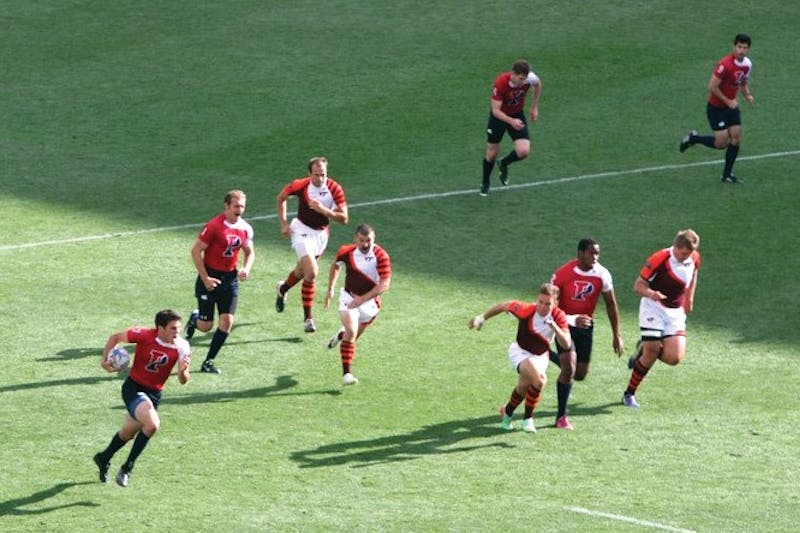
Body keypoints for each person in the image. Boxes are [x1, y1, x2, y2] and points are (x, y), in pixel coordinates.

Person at [93, 309, 191, 488]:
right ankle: (127, 468)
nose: (177, 332)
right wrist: (104, 361)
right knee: (152, 425)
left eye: (178, 328)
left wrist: (183, 372)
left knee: (127, 434)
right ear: (160, 328)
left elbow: (183, 381)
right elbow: (115, 337)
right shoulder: (144, 335)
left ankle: (103, 457)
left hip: (154, 394)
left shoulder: (182, 346)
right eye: (172, 328)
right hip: (133, 388)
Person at [468, 283, 571, 433]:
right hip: (520, 352)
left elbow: (566, 343)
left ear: (555, 303)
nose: (542, 306)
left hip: (540, 355)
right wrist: (481, 318)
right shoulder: (525, 310)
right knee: (540, 380)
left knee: (523, 387)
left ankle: (507, 412)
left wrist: (554, 327)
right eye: (540, 302)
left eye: (547, 304)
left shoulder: (558, 316)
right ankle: (528, 419)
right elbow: (504, 306)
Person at [549, 238, 624, 430]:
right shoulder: (562, 274)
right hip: (563, 324)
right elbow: (550, 308)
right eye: (592, 253)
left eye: (597, 253)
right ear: (580, 253)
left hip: (585, 327)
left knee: (580, 374)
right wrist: (572, 319)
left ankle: (546, 353)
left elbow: (611, 304)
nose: (595, 257)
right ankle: (561, 417)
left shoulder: (602, 274)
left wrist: (617, 335)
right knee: (569, 370)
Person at [623, 229, 701, 409]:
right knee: (653, 350)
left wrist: (689, 297)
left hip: (675, 312)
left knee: (674, 358)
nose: (686, 257)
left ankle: (643, 347)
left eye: (689, 254)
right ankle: (629, 393)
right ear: (676, 247)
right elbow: (638, 285)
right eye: (683, 253)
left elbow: (694, 273)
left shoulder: (694, 256)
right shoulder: (660, 258)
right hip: (653, 307)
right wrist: (652, 294)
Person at [184, 189, 255, 375]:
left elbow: (250, 251)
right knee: (206, 326)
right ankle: (194, 319)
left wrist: (246, 268)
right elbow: (195, 251)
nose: (239, 210)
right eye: (236, 206)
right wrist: (205, 277)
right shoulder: (214, 226)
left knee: (227, 322)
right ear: (226, 206)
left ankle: (209, 361)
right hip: (210, 277)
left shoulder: (246, 228)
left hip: (230, 279)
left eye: (242, 206)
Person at [276, 156, 349, 333]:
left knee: (302, 272)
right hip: (300, 230)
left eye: (323, 174)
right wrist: (284, 223)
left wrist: (324, 210)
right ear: (309, 174)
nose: (320, 178)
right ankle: (308, 319)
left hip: (320, 236)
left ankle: (283, 288)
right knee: (312, 272)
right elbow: (281, 197)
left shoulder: (334, 188)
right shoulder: (301, 185)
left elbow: (344, 219)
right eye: (316, 175)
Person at [679, 33, 754, 184]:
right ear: (734, 46)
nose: (741, 50)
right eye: (739, 46)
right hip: (716, 108)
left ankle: (727, 175)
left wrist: (747, 95)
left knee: (736, 139)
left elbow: (743, 81)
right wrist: (728, 101)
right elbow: (712, 87)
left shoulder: (747, 64)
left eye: (745, 48)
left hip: (731, 107)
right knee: (721, 143)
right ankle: (693, 138)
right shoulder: (724, 65)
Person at [323, 223, 391, 385]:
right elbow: (335, 266)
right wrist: (331, 289)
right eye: (361, 240)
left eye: (368, 241)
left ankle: (341, 334)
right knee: (352, 332)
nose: (365, 244)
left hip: (370, 304)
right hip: (349, 297)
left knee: (351, 338)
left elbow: (384, 284)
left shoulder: (381, 256)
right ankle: (347, 374)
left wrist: (363, 298)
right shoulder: (346, 252)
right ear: (356, 239)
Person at [480, 59, 542, 196]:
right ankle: (485, 182)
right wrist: (511, 121)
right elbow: (495, 111)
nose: (523, 82)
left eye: (524, 79)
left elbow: (537, 84)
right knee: (491, 153)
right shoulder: (500, 83)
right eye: (520, 79)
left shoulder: (529, 78)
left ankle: (503, 163)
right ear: (513, 74)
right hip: (499, 117)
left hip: (516, 114)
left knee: (524, 151)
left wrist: (534, 106)